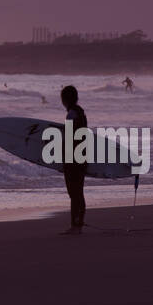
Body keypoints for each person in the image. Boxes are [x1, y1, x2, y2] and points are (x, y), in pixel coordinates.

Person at [59, 85, 87, 234]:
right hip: (81, 156)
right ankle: (78, 224)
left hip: (73, 159)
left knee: (74, 192)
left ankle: (75, 226)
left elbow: (68, 138)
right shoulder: (81, 112)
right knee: (78, 191)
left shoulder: (71, 115)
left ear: (65, 100)